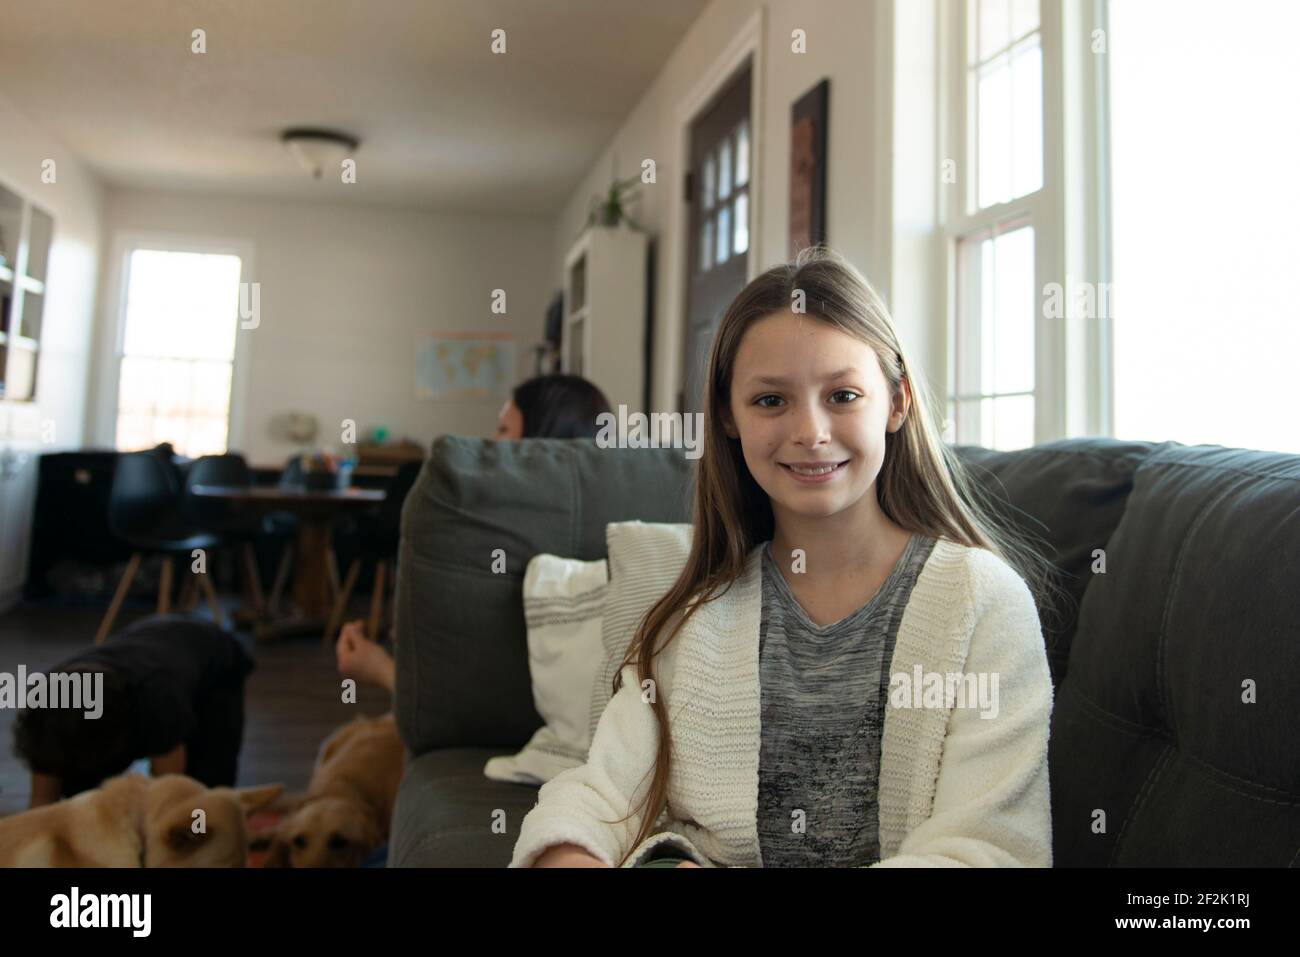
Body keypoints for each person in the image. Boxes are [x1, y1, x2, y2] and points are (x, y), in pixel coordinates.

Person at [509, 246, 1059, 869]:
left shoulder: (981, 603)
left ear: (898, 402)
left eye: (843, 394)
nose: (810, 431)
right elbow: (599, 795)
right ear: (729, 416)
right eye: (771, 401)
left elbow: (989, 851)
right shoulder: (694, 617)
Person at [336, 373, 613, 690]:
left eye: (504, 428)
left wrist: (377, 667)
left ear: (539, 441)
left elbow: (457, 703)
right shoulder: (613, 529)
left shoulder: (485, 536)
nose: (491, 439)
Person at [12, 615, 255, 807]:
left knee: (204, 794)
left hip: (212, 659)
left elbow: (170, 797)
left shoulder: (157, 701)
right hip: (147, 644)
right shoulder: (48, 711)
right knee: (80, 795)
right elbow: (43, 802)